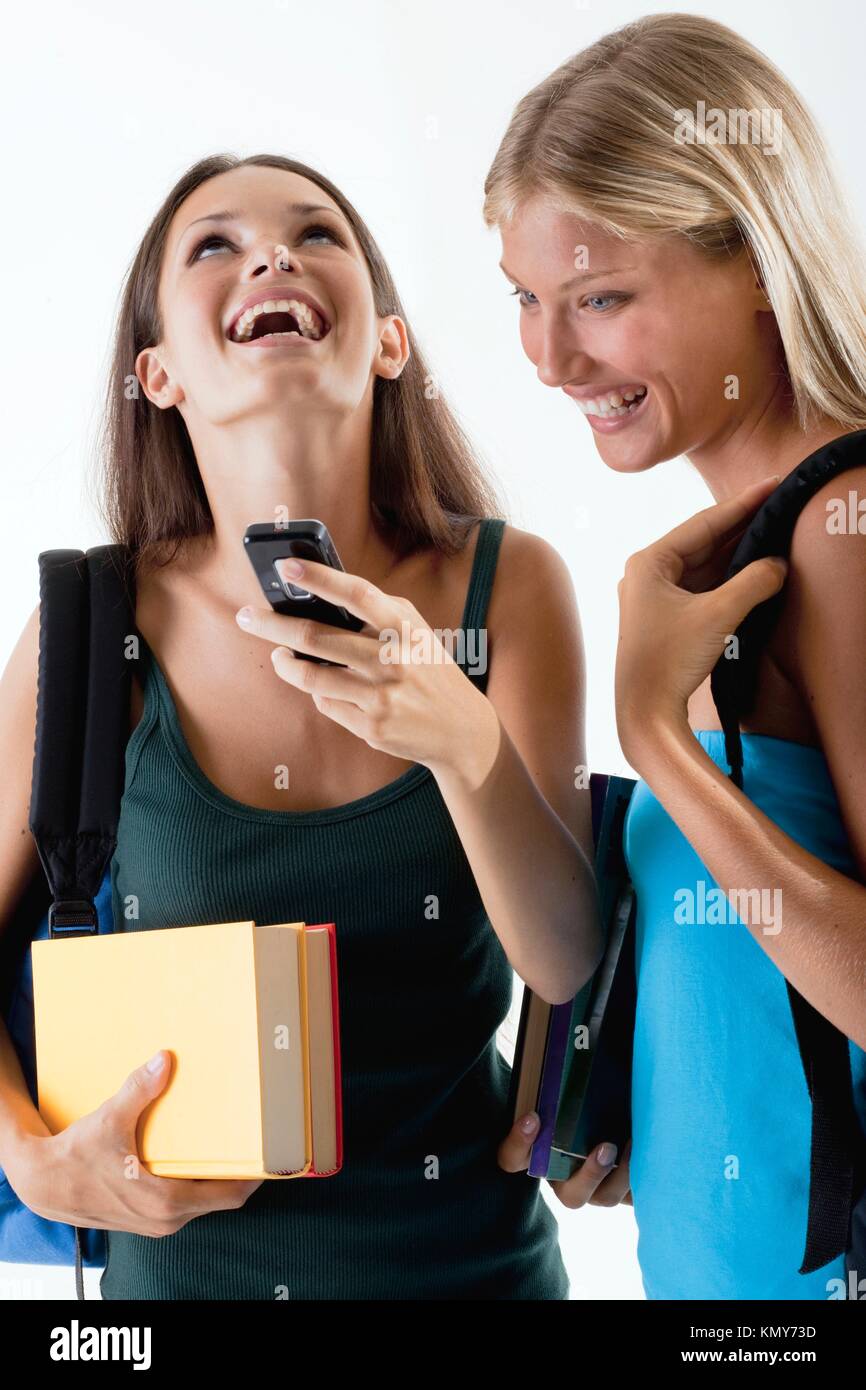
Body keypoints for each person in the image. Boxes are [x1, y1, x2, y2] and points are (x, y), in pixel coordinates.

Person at [0, 153, 604, 1299]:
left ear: (387, 340)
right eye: (213, 245)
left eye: (317, 234)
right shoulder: (90, 631)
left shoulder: (509, 588)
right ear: (159, 372)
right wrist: (32, 1159)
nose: (272, 254)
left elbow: (561, 953)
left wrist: (460, 741)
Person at [488, 14, 866, 1298]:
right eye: (526, 302)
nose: (549, 358)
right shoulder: (731, 559)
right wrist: (642, 1091)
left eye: (599, 299)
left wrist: (655, 738)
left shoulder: (842, 531)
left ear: (757, 259)